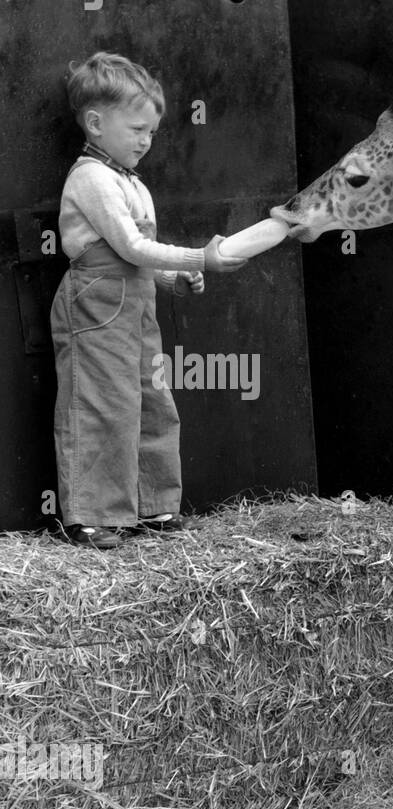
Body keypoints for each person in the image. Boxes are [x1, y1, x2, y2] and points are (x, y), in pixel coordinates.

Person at [51, 51, 246, 549]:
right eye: (137, 129)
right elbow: (130, 247)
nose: (146, 141)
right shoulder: (91, 179)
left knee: (154, 400)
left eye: (152, 133)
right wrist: (199, 259)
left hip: (136, 306)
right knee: (102, 405)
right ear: (95, 123)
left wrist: (175, 280)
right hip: (96, 306)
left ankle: (154, 505)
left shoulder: (134, 184)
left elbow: (142, 263)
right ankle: (94, 515)